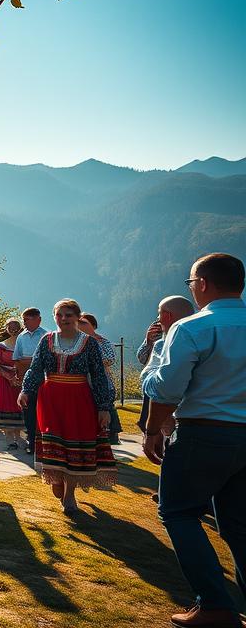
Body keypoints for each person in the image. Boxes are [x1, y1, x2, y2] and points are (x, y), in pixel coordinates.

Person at [142, 253, 246, 628]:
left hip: (203, 431)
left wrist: (153, 430)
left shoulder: (191, 328)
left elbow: (167, 389)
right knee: (238, 523)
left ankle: (215, 604)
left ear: (202, 284)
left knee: (179, 512)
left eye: (191, 283)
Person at [19, 299, 117, 515]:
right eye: (60, 315)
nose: (64, 319)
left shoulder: (89, 344)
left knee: (74, 440)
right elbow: (36, 369)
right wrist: (26, 390)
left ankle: (70, 492)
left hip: (79, 399)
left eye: (69, 315)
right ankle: (57, 477)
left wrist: (103, 406)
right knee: (54, 438)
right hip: (50, 399)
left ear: (77, 317)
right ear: (55, 317)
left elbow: (99, 376)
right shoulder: (46, 340)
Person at [136, 295, 195, 434]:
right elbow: (141, 356)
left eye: (159, 313)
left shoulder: (165, 343)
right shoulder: (199, 336)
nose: (157, 319)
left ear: (167, 316)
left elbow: (160, 382)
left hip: (170, 412)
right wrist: (148, 341)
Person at [77, 312, 123, 447]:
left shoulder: (103, 341)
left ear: (93, 326)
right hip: (83, 383)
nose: (81, 326)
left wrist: (91, 360)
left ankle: (110, 438)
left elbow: (110, 359)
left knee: (106, 409)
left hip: (102, 382)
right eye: (79, 323)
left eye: (85, 323)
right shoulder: (76, 341)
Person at [12, 307, 48, 454]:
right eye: (23, 319)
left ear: (38, 319)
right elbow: (16, 359)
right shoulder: (21, 337)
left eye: (27, 319)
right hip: (27, 380)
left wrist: (30, 361)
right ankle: (32, 443)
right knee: (28, 412)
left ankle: (45, 442)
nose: (24, 323)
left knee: (44, 411)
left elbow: (46, 360)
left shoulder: (47, 335)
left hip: (44, 379)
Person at [0, 319, 26, 448]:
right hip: (3, 382)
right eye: (10, 327)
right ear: (6, 329)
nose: (14, 329)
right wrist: (10, 377)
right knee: (6, 407)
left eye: (16, 326)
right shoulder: (0, 346)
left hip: (21, 380)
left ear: (20, 328)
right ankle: (10, 439)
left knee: (19, 408)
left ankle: (19, 437)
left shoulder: (25, 345)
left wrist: (20, 377)